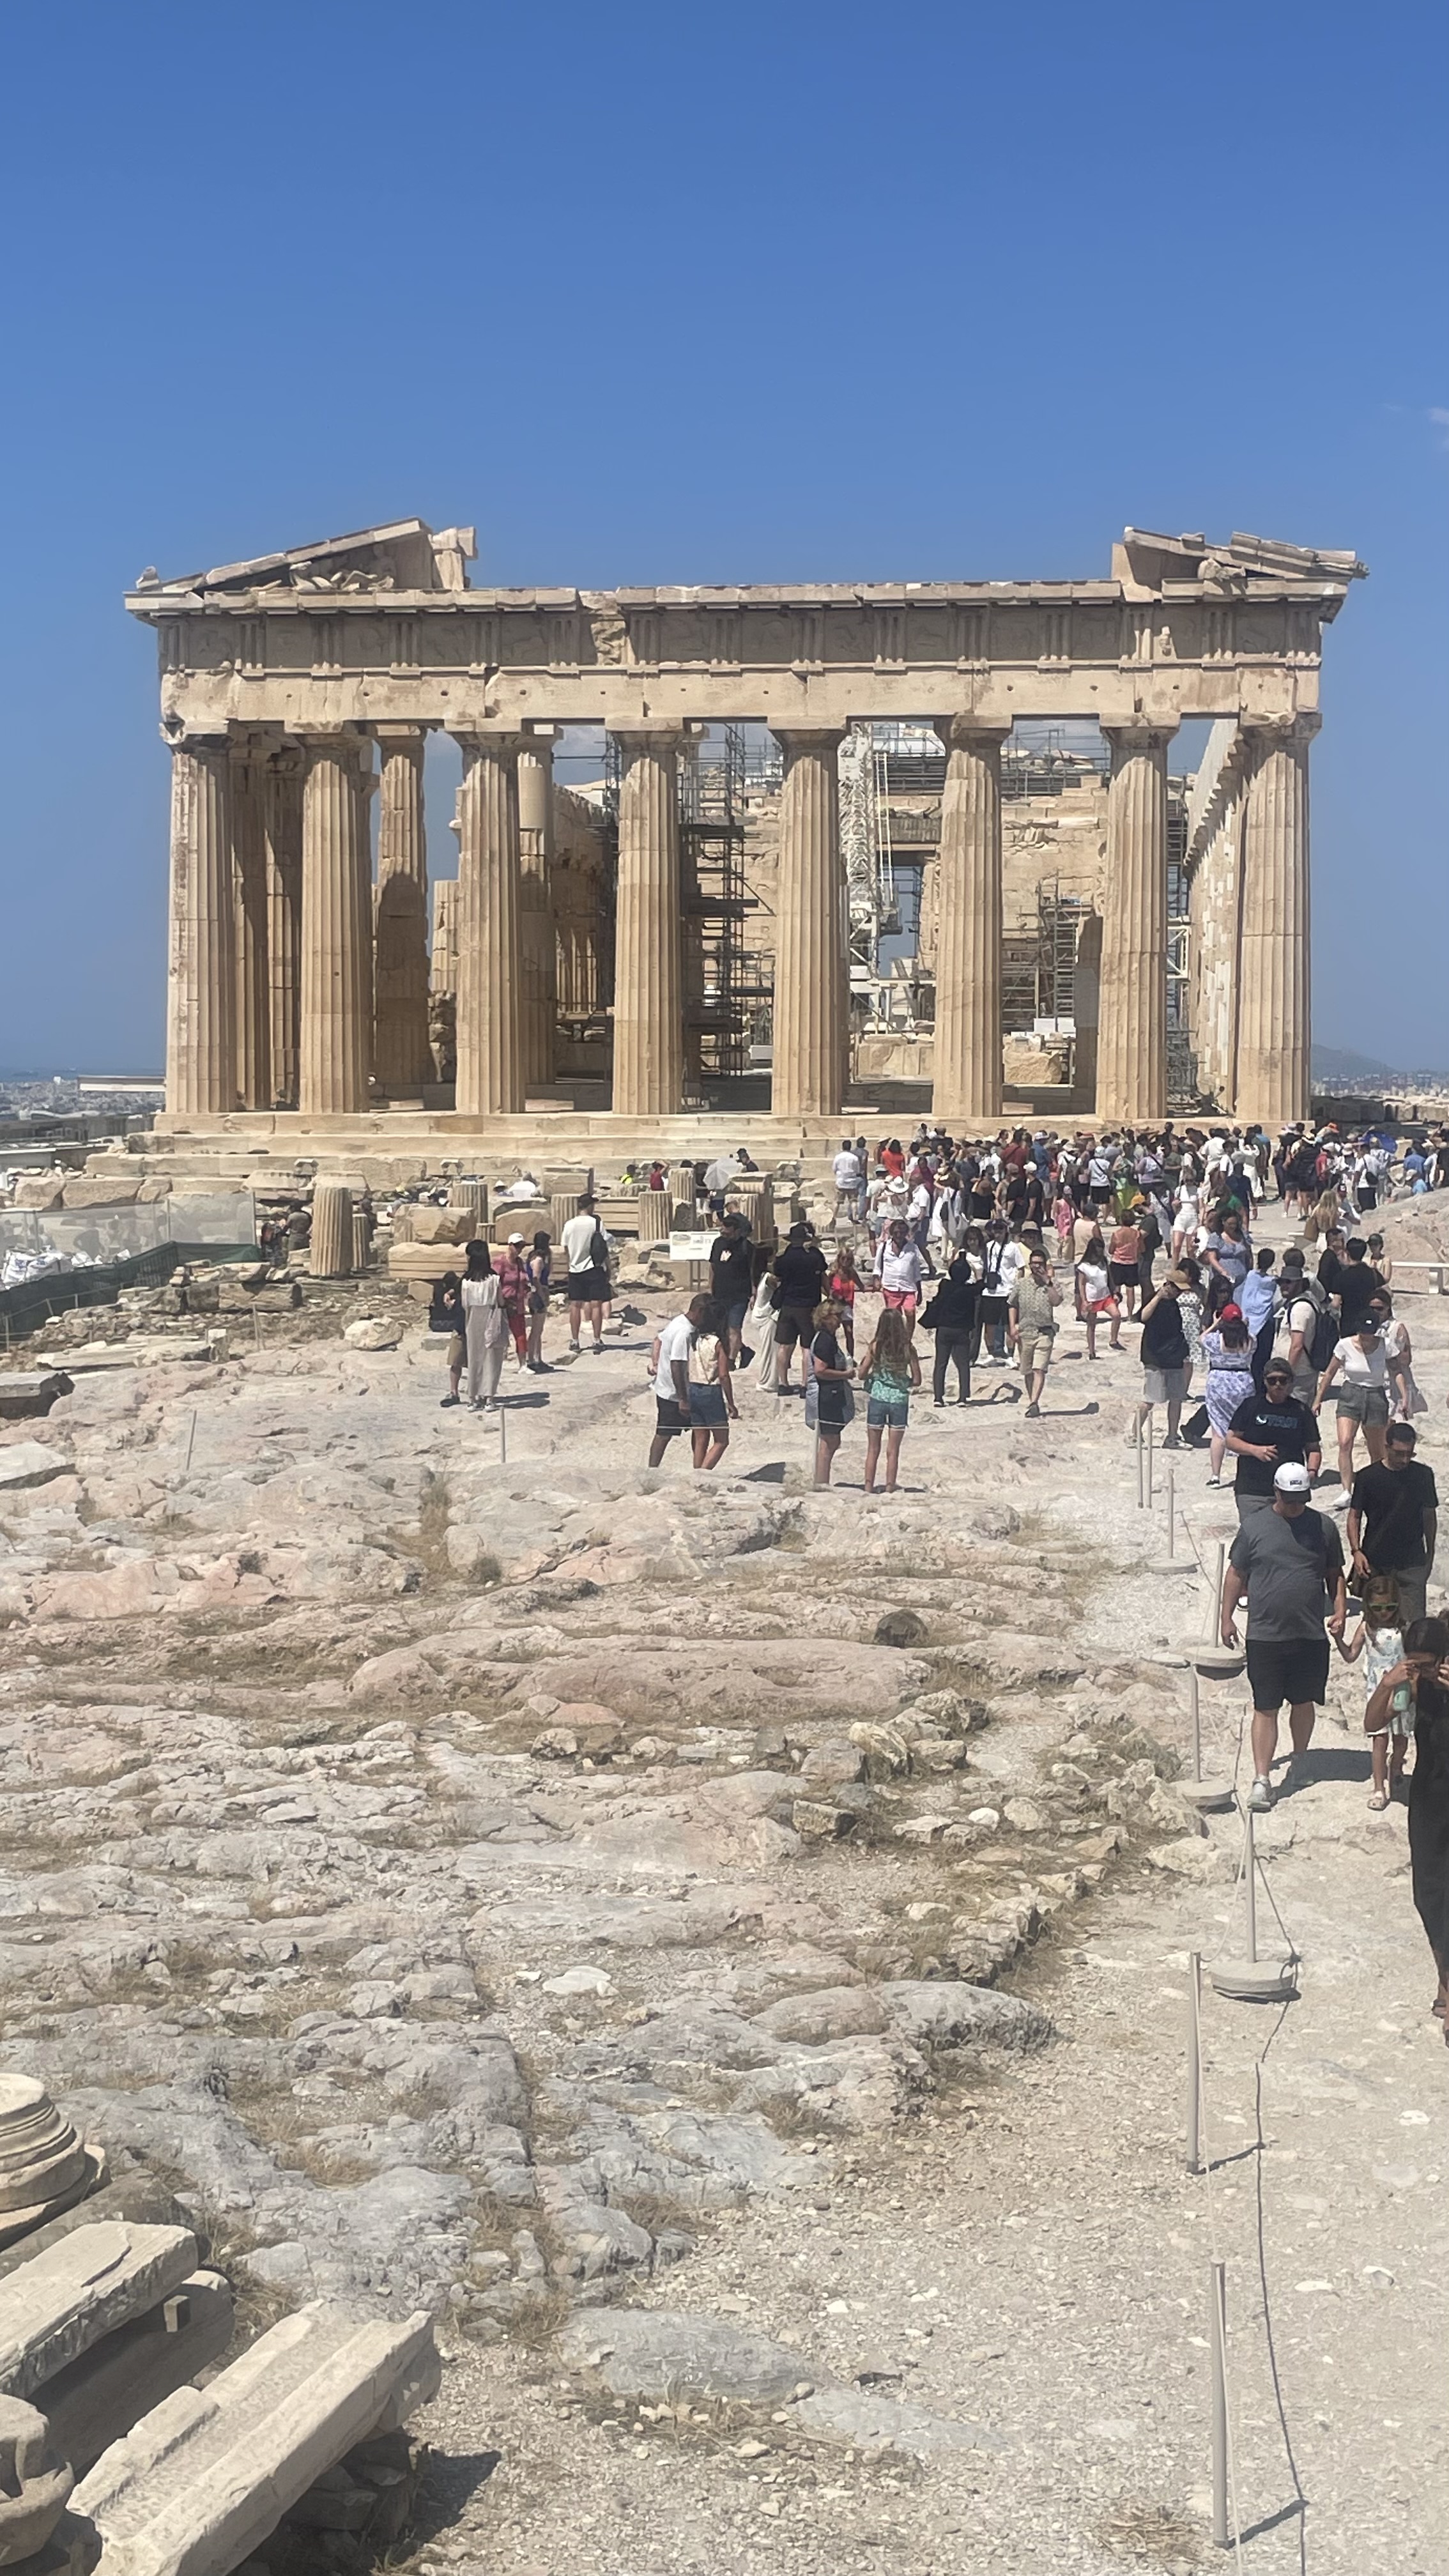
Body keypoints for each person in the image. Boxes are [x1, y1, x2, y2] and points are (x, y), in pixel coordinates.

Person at [1222, 1460, 1347, 1810]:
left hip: (1309, 1633)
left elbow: (1334, 1573)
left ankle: (1301, 1761)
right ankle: (1262, 1779)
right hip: (1265, 1633)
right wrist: (1226, 1618)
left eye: (1302, 1498)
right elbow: (1236, 1573)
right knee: (1266, 1707)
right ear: (1276, 1492)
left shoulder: (1322, 1526)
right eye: (1291, 1498)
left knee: (1304, 1701)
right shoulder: (1255, 1527)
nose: (1296, 1505)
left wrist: (1339, 1610)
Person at [1365, 1614, 1449, 2031]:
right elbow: (1374, 1723)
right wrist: (1391, 1683)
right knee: (1430, 1895)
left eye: (1428, 1664)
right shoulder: (1413, 1685)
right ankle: (1445, 1980)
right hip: (1431, 1800)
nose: (1424, 1671)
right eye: (1415, 1663)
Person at [1347, 1422, 1438, 1629]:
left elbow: (1429, 1517)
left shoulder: (1423, 1476)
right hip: (1376, 1562)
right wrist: (1356, 1551)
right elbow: (1354, 1516)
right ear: (1386, 1447)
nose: (1404, 1460)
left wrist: (1430, 1553)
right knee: (1377, 1625)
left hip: (1412, 1561)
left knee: (1415, 1627)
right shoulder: (1367, 1477)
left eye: (1409, 1454)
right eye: (1399, 1453)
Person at [1338, 1573, 1409, 1811]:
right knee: (1379, 1739)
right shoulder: (1366, 1628)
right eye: (1378, 1608)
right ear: (1369, 1606)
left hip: (1401, 1690)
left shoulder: (1404, 1628)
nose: (1384, 1613)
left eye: (1390, 1607)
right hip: (1377, 1691)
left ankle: (1396, 1765)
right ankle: (1379, 1787)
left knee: (1401, 1739)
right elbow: (1350, 1656)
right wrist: (1338, 1638)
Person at [1225, 1362, 1322, 1521]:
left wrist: (1312, 1472)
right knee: (1255, 1535)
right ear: (1265, 1381)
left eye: (1283, 1380)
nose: (1278, 1385)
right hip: (1253, 1489)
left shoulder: (1301, 1411)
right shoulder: (1250, 1406)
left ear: (1291, 1382)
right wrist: (1254, 1450)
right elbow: (1231, 1441)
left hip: (1290, 1492)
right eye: (1272, 1380)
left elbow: (1313, 1448)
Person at [1318, 1315, 1392, 1491]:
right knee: (1345, 1442)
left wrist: (1403, 1396)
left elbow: (1397, 1370)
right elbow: (1329, 1373)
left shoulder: (1385, 1345)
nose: (1368, 1336)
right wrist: (1317, 1399)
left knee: (1376, 1447)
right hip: (1351, 1393)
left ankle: (1377, 1485)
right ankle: (1346, 1489)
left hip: (1375, 1394)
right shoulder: (1345, 1345)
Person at [859, 1303, 920, 1492]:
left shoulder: (875, 1346)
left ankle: (868, 1486)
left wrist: (875, 1378)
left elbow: (861, 1373)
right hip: (899, 1400)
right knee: (893, 1451)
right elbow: (917, 1380)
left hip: (878, 1397)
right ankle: (890, 1487)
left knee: (873, 1448)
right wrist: (902, 1382)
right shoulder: (908, 1348)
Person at [1200, 1305, 1257, 1487]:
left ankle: (1216, 1476)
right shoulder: (1250, 1340)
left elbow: (1200, 1339)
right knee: (1242, 1430)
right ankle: (1246, 1474)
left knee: (1218, 1432)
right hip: (1243, 1382)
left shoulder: (1216, 1340)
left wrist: (1215, 1325)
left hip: (1219, 1383)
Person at [1134, 1269, 1192, 1448]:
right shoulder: (1154, 1299)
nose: (1180, 1293)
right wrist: (1159, 1296)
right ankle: (1134, 1435)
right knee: (1149, 1399)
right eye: (1177, 1289)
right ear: (1169, 1286)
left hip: (1174, 1357)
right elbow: (1143, 1317)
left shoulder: (1175, 1305)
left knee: (1176, 1398)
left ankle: (1172, 1437)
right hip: (1155, 1357)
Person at [648, 1292, 707, 1467]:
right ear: (699, 1312)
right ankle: (653, 1469)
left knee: (699, 1430)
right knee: (664, 1433)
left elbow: (658, 1339)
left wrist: (656, 1362)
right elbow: (677, 1364)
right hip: (673, 1392)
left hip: (670, 1387)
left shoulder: (679, 1320)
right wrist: (683, 1398)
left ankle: (698, 1466)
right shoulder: (685, 1331)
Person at [772, 1222, 828, 1393]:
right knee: (807, 1347)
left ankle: (783, 1384)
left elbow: (777, 1278)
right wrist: (830, 1295)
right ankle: (805, 1384)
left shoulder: (783, 1259)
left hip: (788, 1305)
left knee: (784, 1346)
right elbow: (824, 1277)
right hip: (808, 1306)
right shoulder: (814, 1256)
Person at [1008, 1244, 1061, 1420]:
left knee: (1040, 1369)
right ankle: (1033, 1401)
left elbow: (1056, 1301)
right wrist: (1013, 1326)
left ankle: (1034, 1402)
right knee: (1028, 1370)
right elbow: (1012, 1304)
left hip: (1044, 1332)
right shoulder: (1022, 1284)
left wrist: (1048, 1282)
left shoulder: (1052, 1284)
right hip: (1025, 1332)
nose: (1036, 1267)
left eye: (1040, 1264)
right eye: (1033, 1264)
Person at [686, 1296, 738, 1470]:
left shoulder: (694, 1338)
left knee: (700, 1438)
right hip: (711, 1391)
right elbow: (723, 1375)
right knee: (722, 1440)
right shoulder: (718, 1344)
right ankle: (703, 1472)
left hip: (693, 1388)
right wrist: (731, 1403)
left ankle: (696, 1470)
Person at [808, 1296, 855, 1487]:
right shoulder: (824, 1340)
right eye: (838, 1315)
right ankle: (821, 1482)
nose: (840, 1320)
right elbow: (820, 1370)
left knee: (831, 1441)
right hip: (826, 1396)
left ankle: (822, 1481)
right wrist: (845, 1374)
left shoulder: (826, 1338)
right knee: (828, 1442)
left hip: (831, 1394)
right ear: (827, 1317)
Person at [924, 1250, 978, 1405]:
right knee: (963, 1364)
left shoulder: (945, 1286)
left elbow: (951, 1275)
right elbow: (981, 1283)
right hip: (961, 1331)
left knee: (941, 1363)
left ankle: (938, 1397)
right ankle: (963, 1397)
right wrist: (974, 1269)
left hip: (944, 1329)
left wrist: (956, 1261)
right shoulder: (969, 1290)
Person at [461, 1239, 508, 1414]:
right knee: (492, 1360)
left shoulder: (466, 1283)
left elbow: (465, 1305)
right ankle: (490, 1399)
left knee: (474, 1359)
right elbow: (501, 1302)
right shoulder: (494, 1280)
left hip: (472, 1321)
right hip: (491, 1318)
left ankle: (473, 1399)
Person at [561, 1195, 609, 1354]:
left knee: (575, 1305)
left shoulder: (569, 1225)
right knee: (596, 1304)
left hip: (575, 1269)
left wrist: (570, 1264)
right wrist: (608, 1268)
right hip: (593, 1267)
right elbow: (604, 1247)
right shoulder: (596, 1223)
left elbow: (565, 1249)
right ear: (589, 1206)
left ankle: (575, 1341)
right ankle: (596, 1339)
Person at [707, 1210, 754, 1363]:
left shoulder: (747, 1247)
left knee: (734, 1327)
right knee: (721, 1328)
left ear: (738, 1232)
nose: (725, 1236)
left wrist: (753, 1294)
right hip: (720, 1292)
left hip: (739, 1295)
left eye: (728, 1234)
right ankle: (736, 1352)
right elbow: (713, 1266)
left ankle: (731, 1360)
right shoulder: (718, 1243)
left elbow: (752, 1272)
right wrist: (710, 1288)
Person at [1074, 1230, 1121, 1358]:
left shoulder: (1104, 1262)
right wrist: (1084, 1301)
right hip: (1092, 1298)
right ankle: (1091, 1351)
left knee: (1116, 1315)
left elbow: (1110, 1278)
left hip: (1105, 1296)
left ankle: (1113, 1340)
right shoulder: (1083, 1266)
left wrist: (1115, 1292)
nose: (1100, 1254)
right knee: (1092, 1325)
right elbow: (1081, 1285)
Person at [1239, 1245, 1279, 1392]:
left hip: (1249, 1322)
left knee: (1250, 1359)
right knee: (1263, 1359)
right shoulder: (1273, 1281)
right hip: (1265, 1323)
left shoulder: (1250, 1276)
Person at [874, 1216, 927, 1322]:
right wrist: (876, 1280)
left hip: (908, 1287)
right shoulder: (884, 1247)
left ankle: (908, 1338)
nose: (899, 1235)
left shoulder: (912, 1248)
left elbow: (916, 1271)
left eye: (902, 1232)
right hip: (891, 1288)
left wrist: (920, 1291)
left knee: (910, 1312)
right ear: (892, 1233)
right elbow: (877, 1267)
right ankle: (897, 1338)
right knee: (895, 1318)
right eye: (897, 1232)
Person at [1335, 1238, 1386, 1336]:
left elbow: (1336, 1303)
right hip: (1369, 1319)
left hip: (1348, 1321)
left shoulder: (1342, 1276)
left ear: (1347, 1253)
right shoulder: (1373, 1273)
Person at [431, 1268, 465, 1407]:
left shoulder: (439, 1290)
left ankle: (454, 1392)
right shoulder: (462, 1285)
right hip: (457, 1323)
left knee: (455, 1362)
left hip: (447, 1323)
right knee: (457, 1361)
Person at [496, 1232, 531, 1370]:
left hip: (517, 1303)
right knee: (499, 1334)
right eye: (517, 1246)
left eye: (521, 1246)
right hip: (503, 1304)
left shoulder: (520, 1263)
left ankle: (523, 1364)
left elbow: (524, 1279)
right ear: (510, 1246)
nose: (519, 1249)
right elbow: (495, 1281)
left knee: (521, 1334)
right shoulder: (501, 1262)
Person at [1107, 1209, 1143, 1319]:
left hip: (1117, 1263)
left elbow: (1111, 1250)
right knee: (1130, 1290)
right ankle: (1130, 1315)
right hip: (1132, 1263)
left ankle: (1116, 1312)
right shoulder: (1137, 1234)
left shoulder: (1116, 1234)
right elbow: (1142, 1248)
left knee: (1116, 1289)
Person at [827, 1243, 862, 1356]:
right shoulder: (833, 1273)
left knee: (849, 1332)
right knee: (831, 1333)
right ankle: (831, 1355)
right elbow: (826, 1288)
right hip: (834, 1306)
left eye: (848, 1259)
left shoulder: (851, 1273)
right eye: (843, 1258)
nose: (845, 1261)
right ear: (839, 1259)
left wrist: (876, 1288)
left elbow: (862, 1287)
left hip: (847, 1306)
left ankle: (850, 1357)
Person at [525, 1230, 553, 1372]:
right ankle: (531, 1359)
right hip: (537, 1294)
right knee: (536, 1329)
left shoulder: (535, 1257)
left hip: (538, 1292)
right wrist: (542, 1295)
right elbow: (536, 1278)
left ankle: (538, 1358)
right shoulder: (538, 1260)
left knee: (539, 1329)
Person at [832, 1138, 865, 1227]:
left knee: (837, 1201)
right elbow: (857, 1170)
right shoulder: (854, 1158)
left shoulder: (838, 1157)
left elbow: (834, 1169)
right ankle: (854, 1218)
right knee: (853, 1201)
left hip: (841, 1182)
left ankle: (834, 1218)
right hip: (852, 1182)